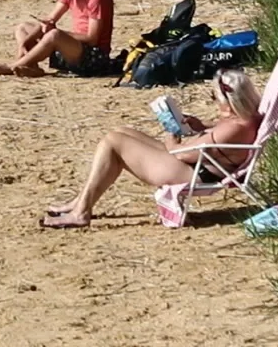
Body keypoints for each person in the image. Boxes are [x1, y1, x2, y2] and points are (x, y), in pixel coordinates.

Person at [40, 69, 262, 228]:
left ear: (229, 99)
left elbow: (181, 152)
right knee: (121, 132)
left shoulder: (233, 127)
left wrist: (171, 133)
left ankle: (81, 212)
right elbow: (217, 138)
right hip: (200, 164)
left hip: (194, 171)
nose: (214, 102)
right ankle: (80, 202)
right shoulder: (246, 119)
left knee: (113, 143)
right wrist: (202, 126)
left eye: (215, 97)